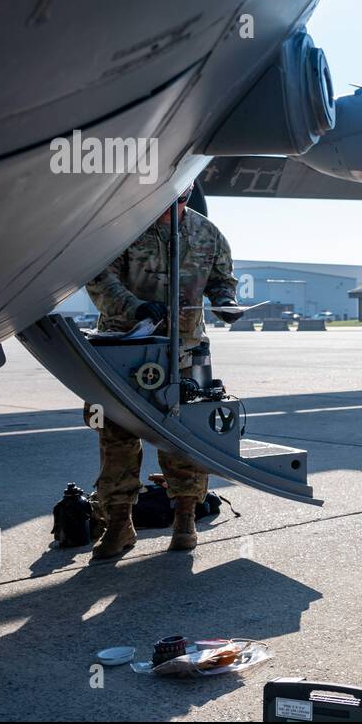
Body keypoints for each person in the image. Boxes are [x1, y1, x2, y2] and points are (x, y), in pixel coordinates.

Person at [85, 185, 243, 558]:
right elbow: (99, 278)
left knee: (187, 434)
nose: (171, 211)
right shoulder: (124, 229)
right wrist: (136, 307)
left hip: (189, 350)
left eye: (180, 202)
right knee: (116, 434)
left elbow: (222, 281)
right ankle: (120, 524)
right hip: (128, 348)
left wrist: (226, 304)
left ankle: (185, 519)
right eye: (165, 203)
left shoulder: (208, 233)